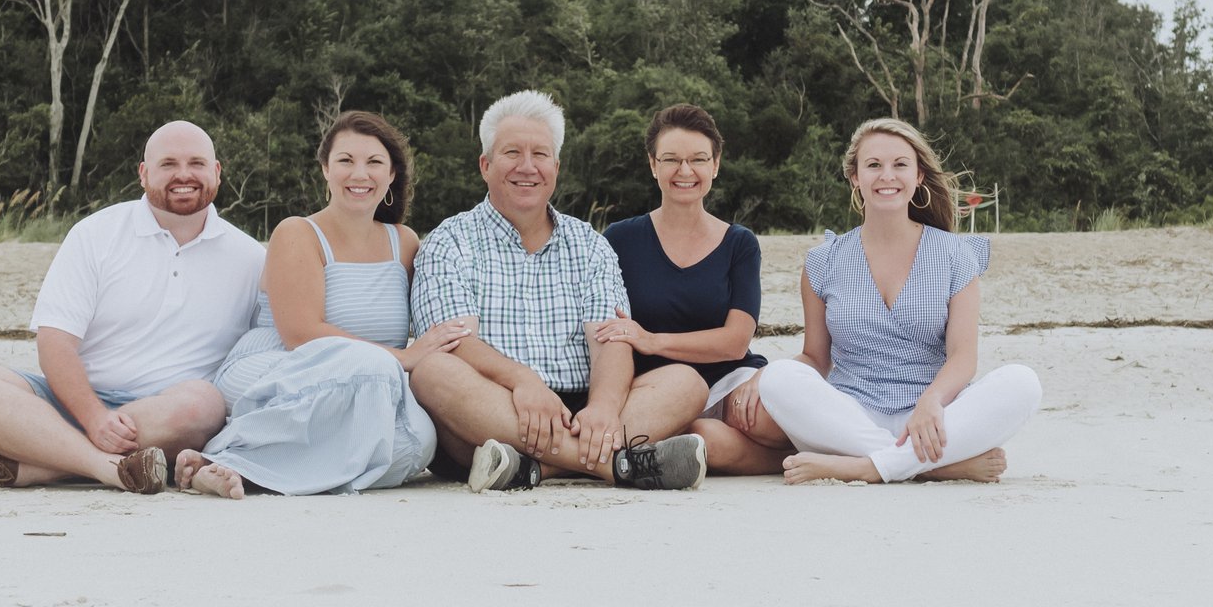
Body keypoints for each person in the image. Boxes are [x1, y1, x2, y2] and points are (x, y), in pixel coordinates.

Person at [408, 89, 710, 492]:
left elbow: (611, 337)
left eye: (540, 155)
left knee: (686, 382)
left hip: (583, 409)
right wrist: (523, 382)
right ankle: (617, 466)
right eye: (512, 153)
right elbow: (454, 342)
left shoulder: (589, 242)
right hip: (496, 410)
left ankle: (532, 469)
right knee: (431, 373)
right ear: (485, 164)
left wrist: (602, 407)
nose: (527, 167)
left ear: (556, 165)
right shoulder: (450, 240)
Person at [0, 121, 264, 494]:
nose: (184, 175)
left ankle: (44, 464)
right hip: (72, 402)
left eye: (196, 163)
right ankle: (107, 467)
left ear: (217, 172)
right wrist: (94, 418)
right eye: (168, 164)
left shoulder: (252, 259)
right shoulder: (96, 234)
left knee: (204, 404)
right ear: (143, 174)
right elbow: (54, 342)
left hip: (166, 416)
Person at [717, 117, 1040, 484]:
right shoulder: (824, 261)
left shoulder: (955, 254)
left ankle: (868, 467)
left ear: (918, 176)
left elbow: (963, 358)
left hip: (932, 416)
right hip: (852, 418)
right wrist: (761, 378)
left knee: (1023, 382)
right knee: (779, 377)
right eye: (874, 165)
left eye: (900, 165)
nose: (887, 176)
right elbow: (816, 359)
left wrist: (931, 402)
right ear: (855, 177)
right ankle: (930, 468)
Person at [177, 112, 472, 498]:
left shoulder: (405, 242)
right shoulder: (298, 233)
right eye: (346, 161)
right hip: (279, 366)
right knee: (373, 376)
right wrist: (404, 358)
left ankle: (241, 470)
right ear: (325, 171)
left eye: (374, 162)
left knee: (417, 441)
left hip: (371, 383)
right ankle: (221, 454)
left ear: (391, 175)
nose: (359, 174)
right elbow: (302, 333)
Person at [596, 104, 768, 454]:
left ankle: (774, 453)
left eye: (699, 159)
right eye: (671, 159)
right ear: (653, 165)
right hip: (656, 387)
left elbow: (735, 342)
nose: (685, 171)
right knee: (701, 435)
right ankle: (713, 448)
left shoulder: (740, 244)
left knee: (767, 419)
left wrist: (653, 340)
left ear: (715, 166)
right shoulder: (618, 239)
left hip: (728, 382)